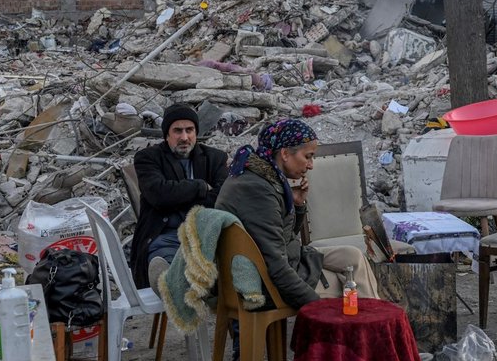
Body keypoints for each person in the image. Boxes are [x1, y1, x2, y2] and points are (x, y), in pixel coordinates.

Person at [215, 118, 379, 309]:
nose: (311, 165)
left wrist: (298, 205)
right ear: (285, 153)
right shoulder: (256, 189)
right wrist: (316, 306)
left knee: (353, 257)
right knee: (352, 286)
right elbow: (275, 265)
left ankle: (370, 323)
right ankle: (369, 328)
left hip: (290, 259)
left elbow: (283, 235)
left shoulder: (265, 176)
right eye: (308, 156)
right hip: (264, 283)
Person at [130, 104, 228, 289]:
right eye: (177, 131)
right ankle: (169, 283)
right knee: (165, 265)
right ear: (167, 135)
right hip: (166, 237)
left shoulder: (215, 158)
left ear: (196, 132)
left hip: (205, 237)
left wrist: (176, 196)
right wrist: (199, 186)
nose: (184, 137)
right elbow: (158, 194)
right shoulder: (148, 158)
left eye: (189, 130)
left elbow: (222, 198)